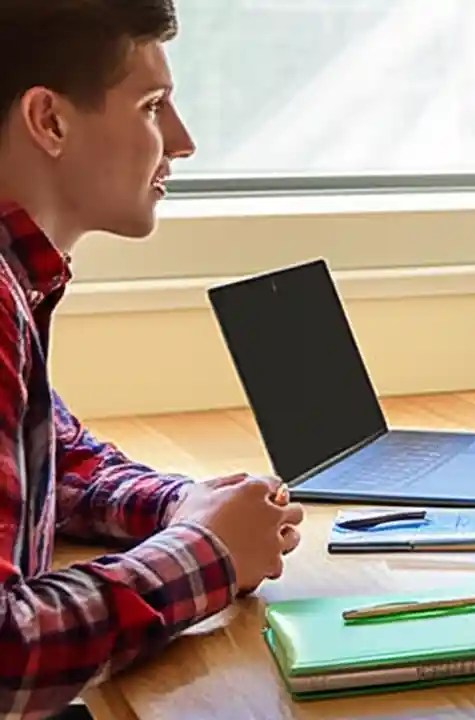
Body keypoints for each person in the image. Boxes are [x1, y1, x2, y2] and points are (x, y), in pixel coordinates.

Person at [0, 2, 305, 717]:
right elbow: (8, 658)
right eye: (152, 105)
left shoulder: (18, 280)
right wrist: (209, 554)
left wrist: (188, 506)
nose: (183, 140)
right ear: (49, 120)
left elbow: (59, 461)